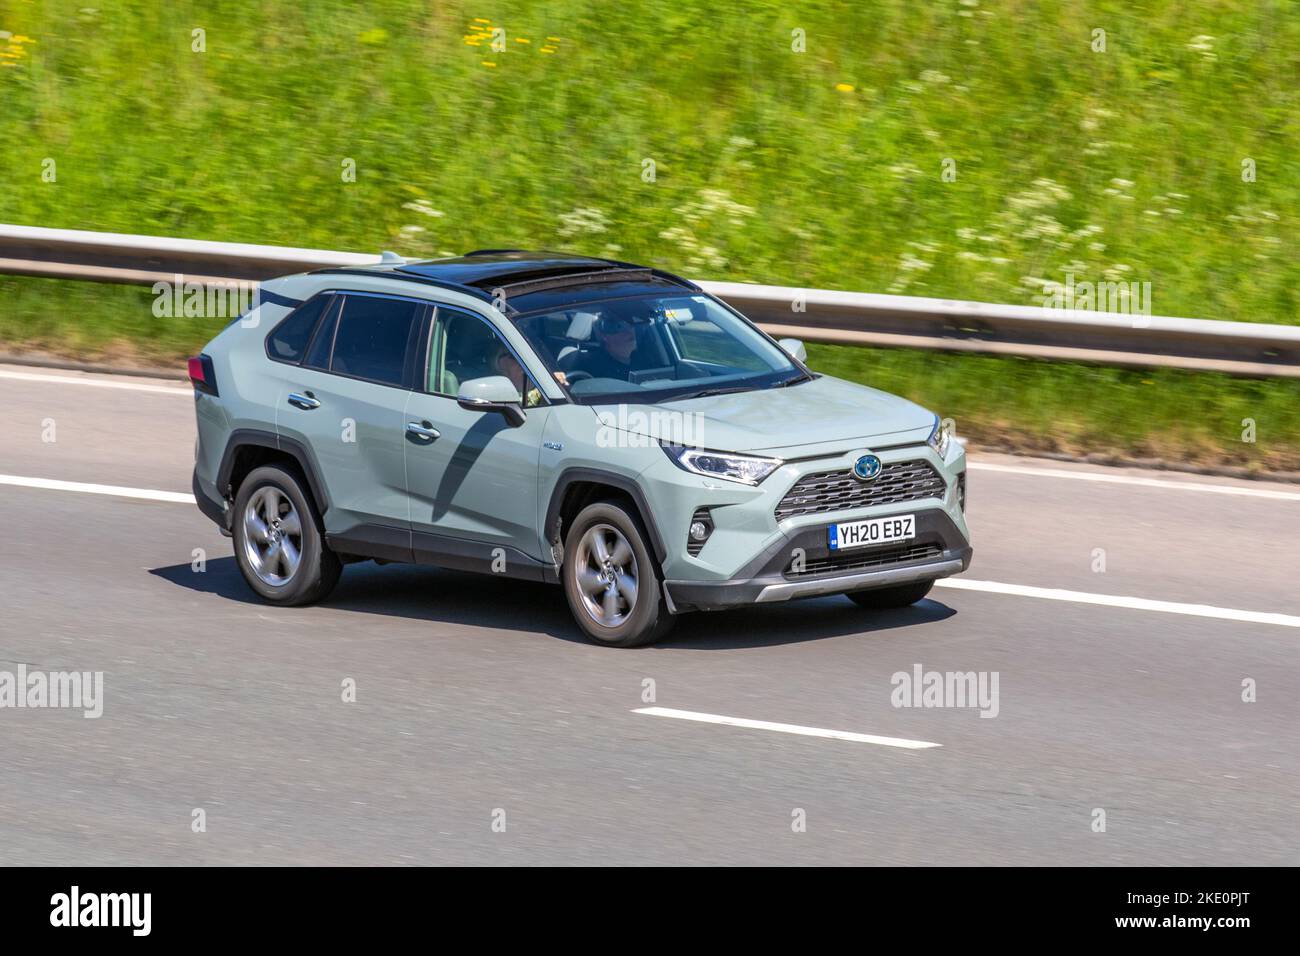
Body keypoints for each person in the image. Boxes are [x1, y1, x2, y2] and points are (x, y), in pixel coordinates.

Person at [572, 315, 641, 381]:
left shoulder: (643, 360)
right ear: (605, 336)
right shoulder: (592, 367)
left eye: (630, 325)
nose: (629, 331)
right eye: (619, 327)